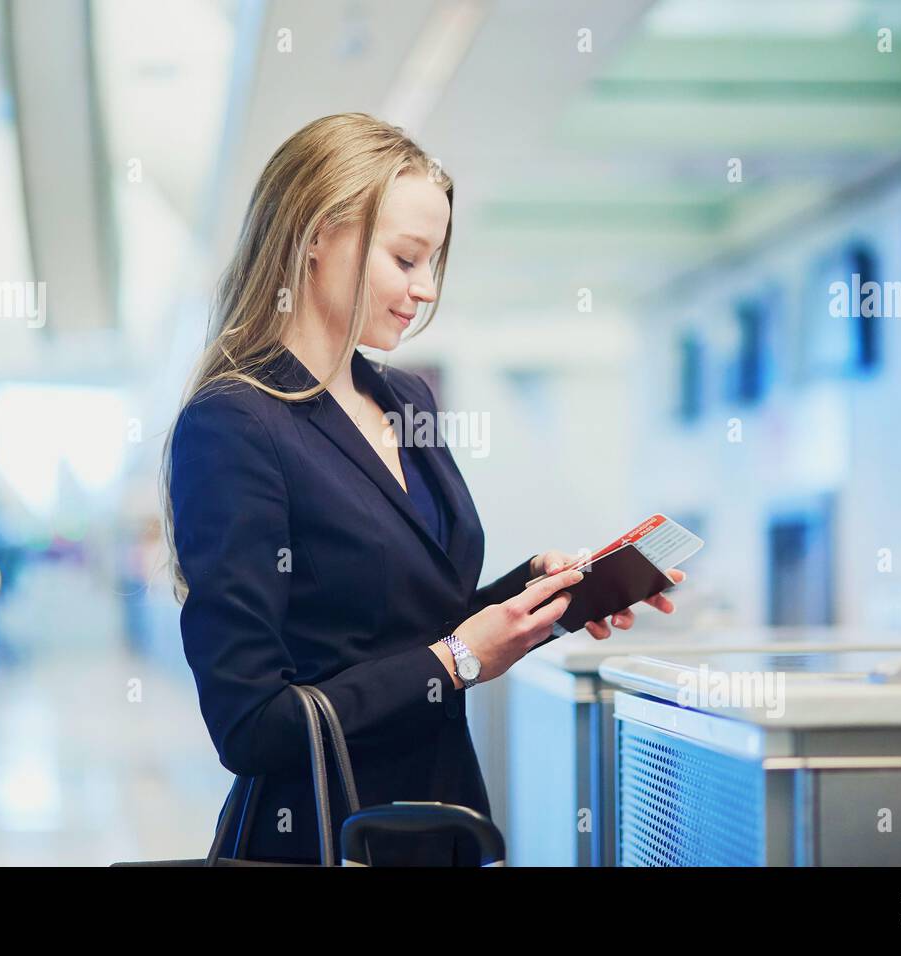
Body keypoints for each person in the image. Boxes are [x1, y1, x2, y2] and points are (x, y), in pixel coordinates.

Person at [160, 113, 684, 866]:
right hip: (323, 835)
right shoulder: (237, 424)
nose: (425, 289)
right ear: (315, 235)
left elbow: (412, 626)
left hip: (443, 818)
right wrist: (459, 660)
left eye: (433, 262)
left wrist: (539, 598)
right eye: (406, 259)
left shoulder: (408, 401)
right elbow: (251, 725)